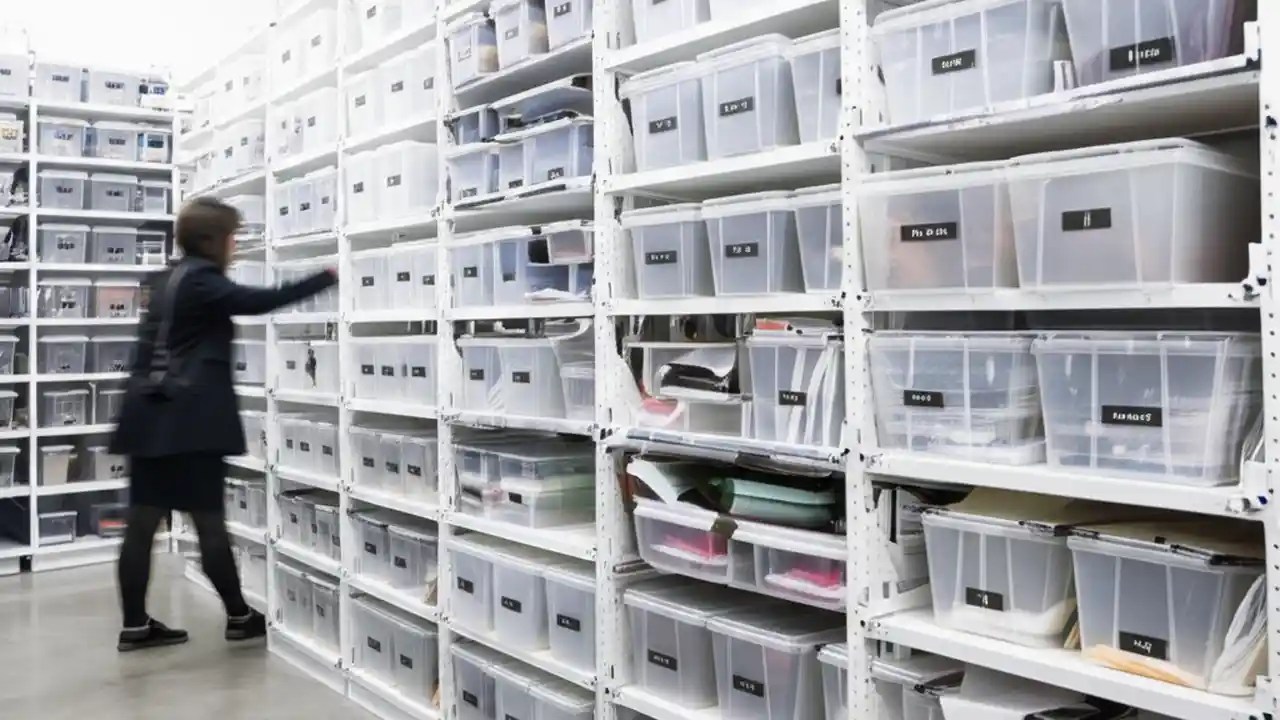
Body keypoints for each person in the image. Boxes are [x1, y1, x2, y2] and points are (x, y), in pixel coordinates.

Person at [109, 197, 336, 652]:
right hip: (189, 422)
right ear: (214, 240)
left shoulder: (166, 278)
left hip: (147, 417)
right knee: (209, 523)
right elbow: (260, 301)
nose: (236, 246)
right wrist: (325, 278)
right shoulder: (204, 282)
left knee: (141, 524)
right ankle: (239, 616)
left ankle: (135, 625)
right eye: (234, 236)